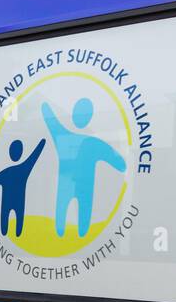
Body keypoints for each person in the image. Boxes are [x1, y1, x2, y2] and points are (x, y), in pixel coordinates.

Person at [42, 98, 126, 239]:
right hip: (82, 188)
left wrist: (45, 108)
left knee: (65, 217)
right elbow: (120, 163)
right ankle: (74, 233)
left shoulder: (63, 136)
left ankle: (66, 232)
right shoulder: (93, 143)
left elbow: (52, 122)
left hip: (69, 186)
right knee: (81, 218)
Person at [0, 137, 46, 237]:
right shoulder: (23, 168)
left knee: (6, 225)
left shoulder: (9, 171)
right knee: (13, 226)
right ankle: (12, 233)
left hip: (8, 202)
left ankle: (9, 233)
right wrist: (42, 143)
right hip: (18, 202)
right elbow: (34, 156)